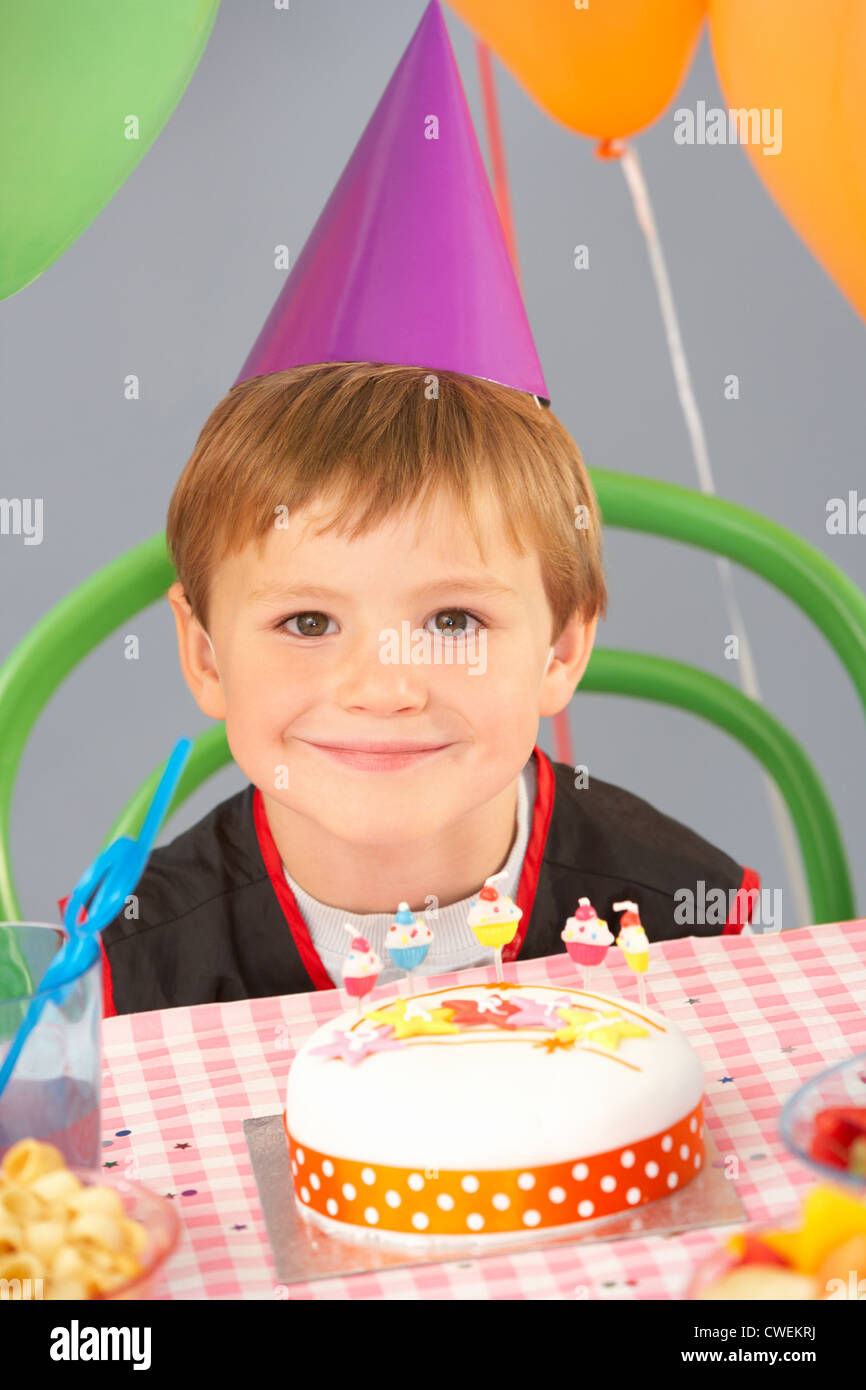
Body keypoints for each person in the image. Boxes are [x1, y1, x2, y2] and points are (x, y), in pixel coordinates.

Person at [84, 4, 758, 1014]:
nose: (383, 686)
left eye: (453, 618)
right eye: (306, 621)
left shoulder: (683, 915)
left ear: (561, 648)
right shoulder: (130, 965)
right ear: (207, 654)